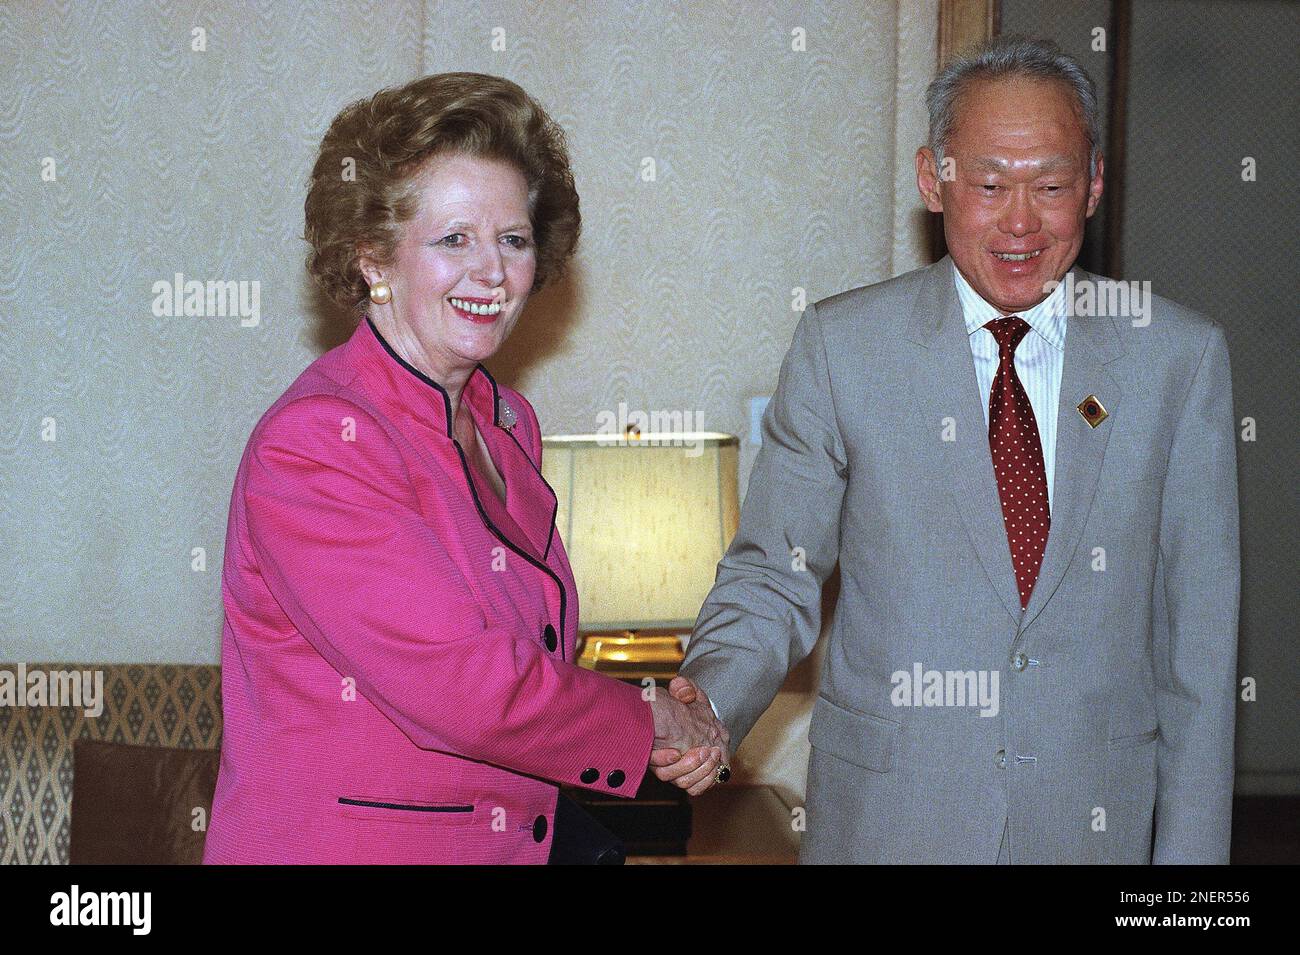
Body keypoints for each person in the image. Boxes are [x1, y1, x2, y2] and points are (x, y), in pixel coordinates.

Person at [658, 37, 1240, 864]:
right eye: (991, 183)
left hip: (1091, 826)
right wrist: (711, 699)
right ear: (935, 180)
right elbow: (773, 573)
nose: (1020, 221)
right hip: (891, 820)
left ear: (1095, 185)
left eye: (1051, 185)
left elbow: (1201, 660)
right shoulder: (844, 346)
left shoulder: (1177, 358)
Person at [203, 72, 725, 864]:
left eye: (512, 239)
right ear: (374, 257)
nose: (492, 273)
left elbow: (537, 656)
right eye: (454, 239)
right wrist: (647, 715)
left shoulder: (505, 422)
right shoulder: (315, 444)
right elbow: (465, 684)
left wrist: (654, 711)